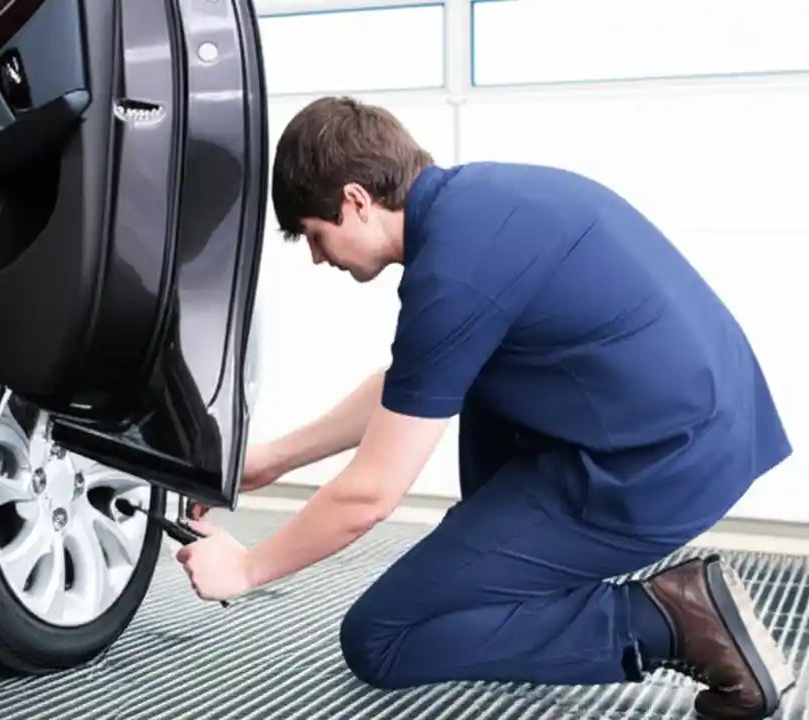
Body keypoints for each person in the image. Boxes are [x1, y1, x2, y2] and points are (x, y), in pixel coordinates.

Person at [175, 96, 795, 720]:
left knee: (381, 639)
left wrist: (249, 568)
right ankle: (521, 596)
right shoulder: (479, 208)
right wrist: (273, 461)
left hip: (656, 469)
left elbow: (369, 496)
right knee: (474, 391)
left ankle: (670, 617)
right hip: (684, 429)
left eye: (314, 234)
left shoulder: (454, 276)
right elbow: (414, 383)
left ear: (357, 200)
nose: (316, 257)